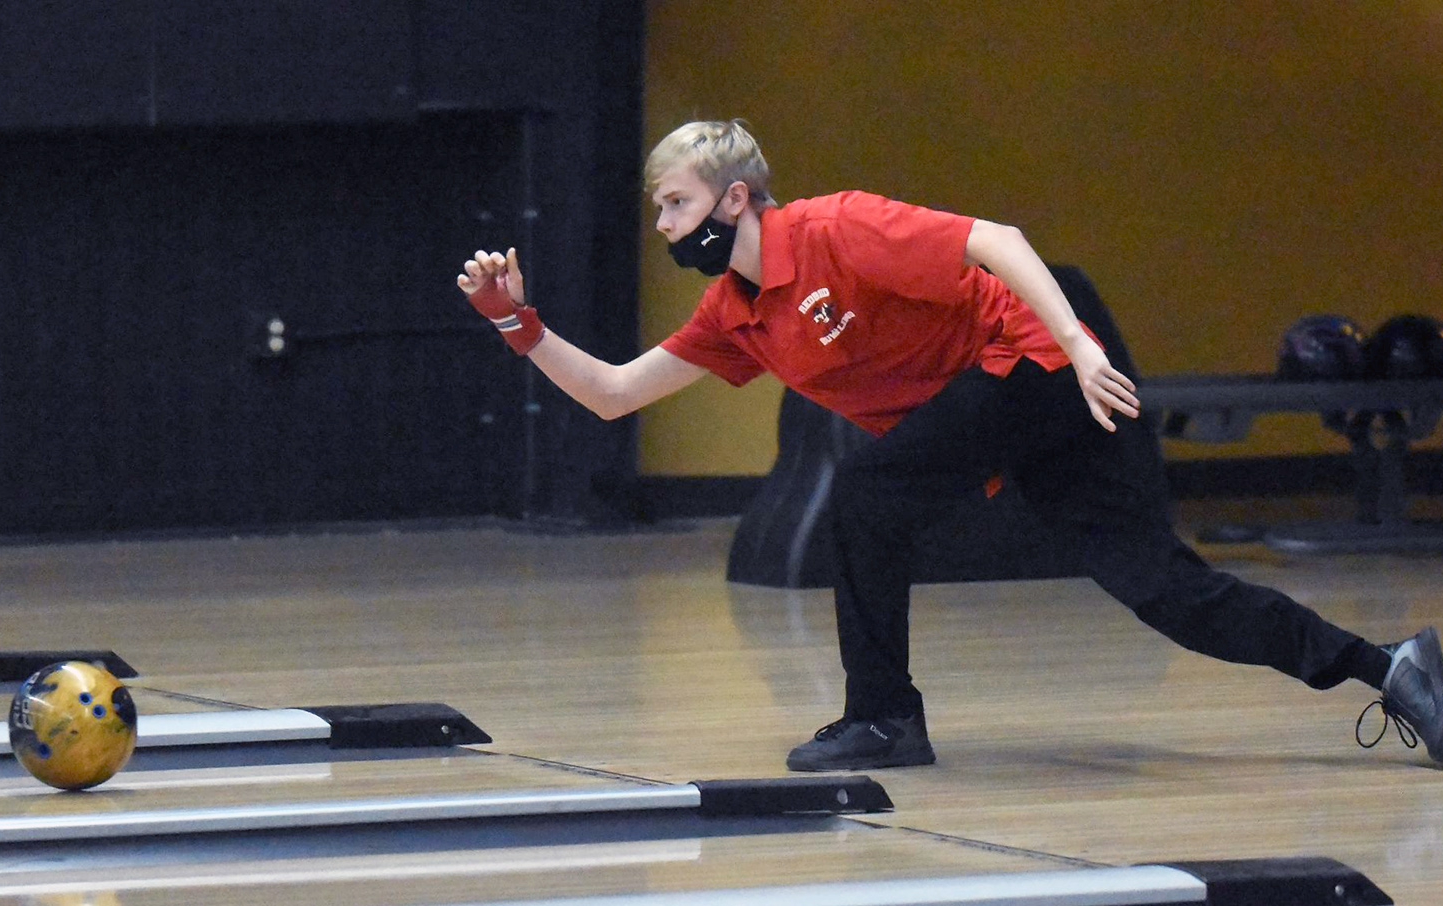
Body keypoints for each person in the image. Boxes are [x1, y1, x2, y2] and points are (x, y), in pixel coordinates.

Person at [456, 119, 1443, 772]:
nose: (664, 225)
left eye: (672, 203)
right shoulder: (733, 315)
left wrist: (1074, 341)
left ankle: (883, 717)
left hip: (1035, 367)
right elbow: (616, 393)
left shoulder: (838, 229)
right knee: (1171, 595)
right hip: (1022, 425)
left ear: (734, 200)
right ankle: (1389, 665)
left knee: (868, 491)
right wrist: (519, 326)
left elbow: (999, 241)